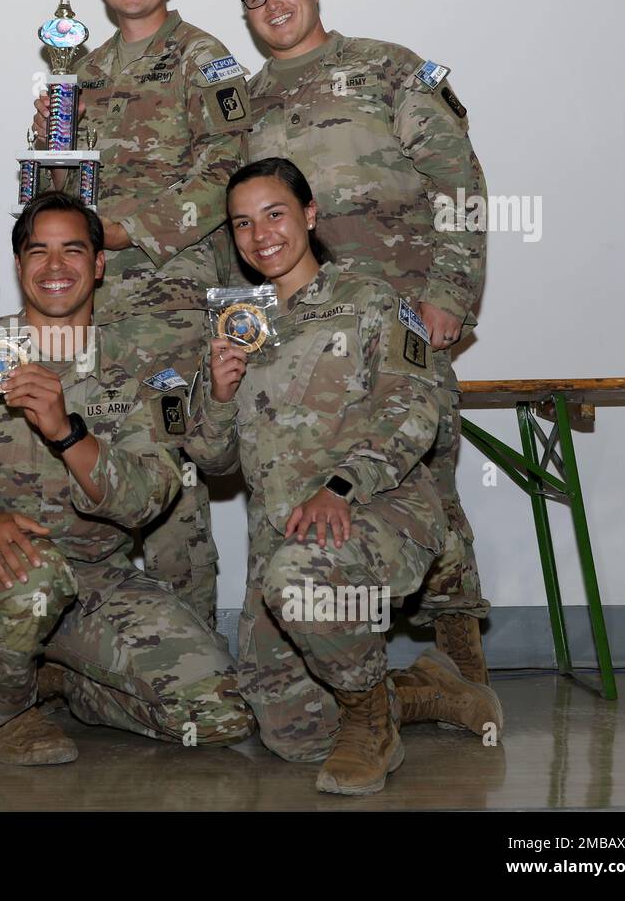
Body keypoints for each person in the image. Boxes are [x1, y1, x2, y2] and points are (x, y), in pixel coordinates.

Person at [0, 191, 255, 765]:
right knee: (36, 583)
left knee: (223, 712)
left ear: (99, 265)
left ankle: (70, 683)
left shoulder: (144, 372)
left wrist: (69, 434)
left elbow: (149, 498)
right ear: (19, 264)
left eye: (73, 251)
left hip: (96, 579)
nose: (54, 267)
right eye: (37, 252)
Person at [187, 160, 500, 794]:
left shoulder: (369, 300)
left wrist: (342, 486)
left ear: (309, 214)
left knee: (301, 580)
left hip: (378, 513)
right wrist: (218, 393)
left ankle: (368, 720)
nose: (260, 235)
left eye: (275, 214)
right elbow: (212, 461)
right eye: (242, 223)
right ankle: (424, 692)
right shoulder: (235, 324)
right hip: (284, 543)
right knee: (292, 734)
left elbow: (417, 411)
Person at [236, 0, 492, 683]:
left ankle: (457, 645)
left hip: (402, 324)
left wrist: (450, 291)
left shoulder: (386, 68)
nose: (273, 4)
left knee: (423, 474)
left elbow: (461, 181)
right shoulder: (247, 102)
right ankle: (339, 660)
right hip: (301, 346)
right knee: (318, 488)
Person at [31, 0, 251, 627]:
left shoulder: (204, 58)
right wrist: (49, 151)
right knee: (84, 461)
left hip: (169, 300)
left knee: (172, 476)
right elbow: (62, 192)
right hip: (85, 306)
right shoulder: (80, 71)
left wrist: (130, 231)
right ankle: (86, 645)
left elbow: (229, 169)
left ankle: (194, 650)